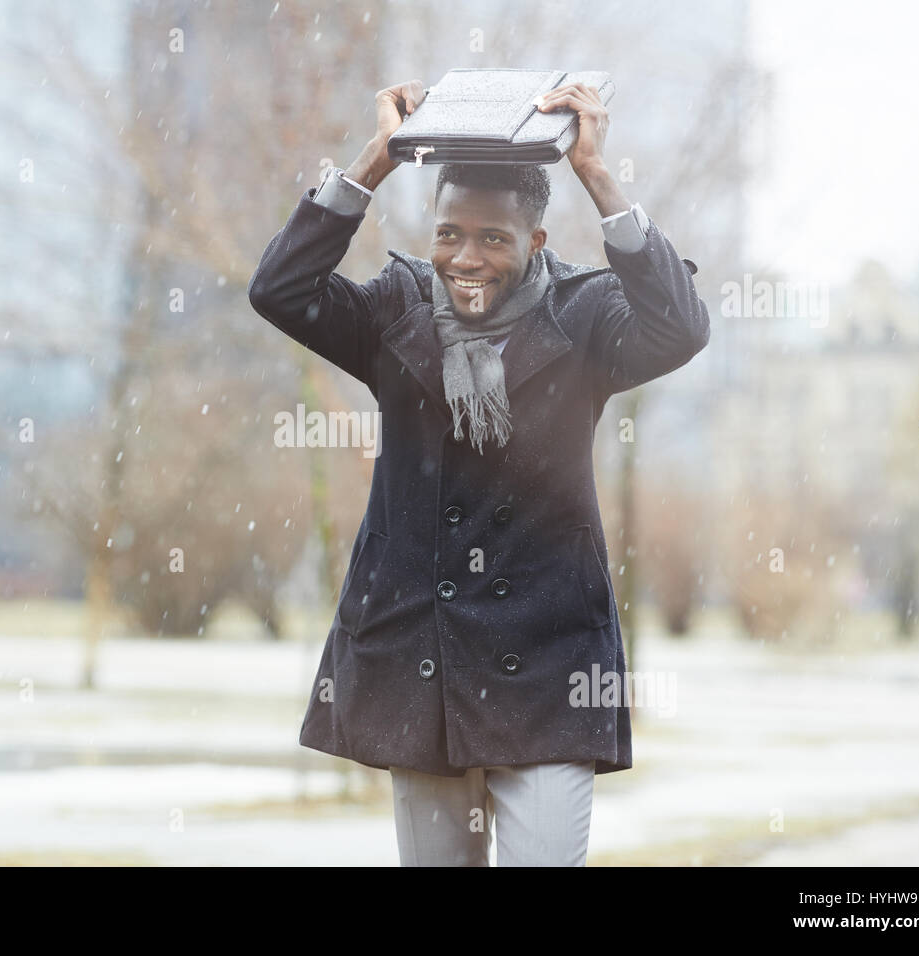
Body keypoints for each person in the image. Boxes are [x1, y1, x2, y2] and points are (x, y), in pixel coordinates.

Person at [247, 78, 709, 866]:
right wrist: (376, 159)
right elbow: (280, 290)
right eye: (450, 233)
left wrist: (596, 173)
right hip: (419, 657)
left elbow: (679, 327)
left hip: (548, 661)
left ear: (534, 242)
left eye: (493, 238)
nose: (466, 258)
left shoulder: (583, 316)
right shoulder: (394, 310)